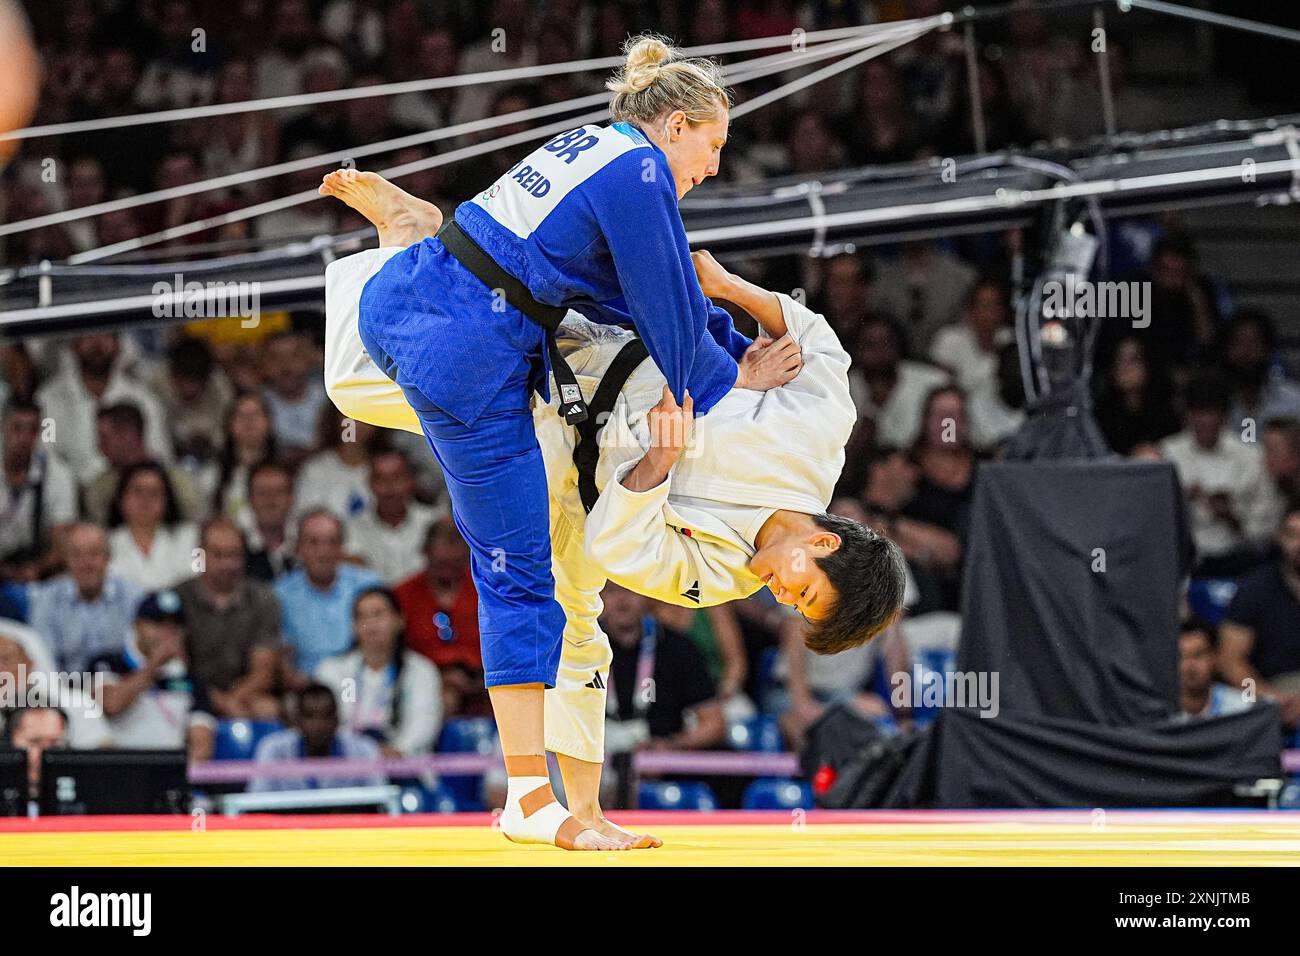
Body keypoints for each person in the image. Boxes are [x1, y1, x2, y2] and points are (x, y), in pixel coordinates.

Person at [320, 34, 801, 851]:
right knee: (517, 580)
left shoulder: (596, 149)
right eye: (714, 144)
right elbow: (666, 315)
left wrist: (721, 344)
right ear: (677, 124)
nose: (715, 166)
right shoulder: (643, 173)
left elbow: (635, 291)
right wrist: (733, 381)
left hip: (429, 299)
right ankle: (527, 800)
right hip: (472, 354)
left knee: (354, 384)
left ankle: (403, 232)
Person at [328, 230, 907, 848]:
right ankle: (408, 245)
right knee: (352, 383)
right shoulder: (815, 445)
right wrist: (729, 289)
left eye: (796, 607)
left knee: (577, 623)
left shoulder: (717, 578)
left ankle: (587, 810)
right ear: (825, 547)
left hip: (565, 471)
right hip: (601, 351)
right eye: (805, 594)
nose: (783, 599)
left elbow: (615, 550)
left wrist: (658, 464)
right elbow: (820, 347)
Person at [86, 590, 218, 759]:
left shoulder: (191, 679)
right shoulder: (108, 663)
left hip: (167, 772)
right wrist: (154, 666)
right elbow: (111, 705)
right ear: (137, 626)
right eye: (157, 624)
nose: (166, 633)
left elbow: (202, 744)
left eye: (174, 627)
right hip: (115, 767)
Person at [175, 519, 282, 720]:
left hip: (244, 694)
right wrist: (221, 704)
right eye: (218, 555)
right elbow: (176, 667)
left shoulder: (262, 597)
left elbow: (263, 672)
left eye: (234, 555)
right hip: (189, 692)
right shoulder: (178, 598)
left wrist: (232, 701)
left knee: (268, 710)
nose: (228, 564)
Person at [315, 588, 442, 757]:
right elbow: (339, 720)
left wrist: (397, 751)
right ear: (353, 625)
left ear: (399, 620)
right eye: (362, 616)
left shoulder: (420, 672)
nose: (371, 623)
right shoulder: (337, 671)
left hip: (404, 766)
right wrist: (361, 754)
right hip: (349, 765)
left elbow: (423, 722)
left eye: (378, 614)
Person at [1218, 507, 1300, 729]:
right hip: (1270, 690)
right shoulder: (1254, 589)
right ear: (1279, 538)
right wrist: (1264, 697)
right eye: (1292, 535)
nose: (1299, 545)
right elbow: (1229, 662)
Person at [274, 510, 382, 675]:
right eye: (313, 542)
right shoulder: (280, 594)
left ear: (342, 546)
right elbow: (282, 657)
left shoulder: (368, 586)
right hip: (308, 686)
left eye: (332, 542)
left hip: (357, 679)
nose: (323, 552)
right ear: (298, 548)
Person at [26, 522, 143, 672]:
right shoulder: (46, 599)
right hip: (64, 688)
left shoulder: (134, 597)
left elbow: (140, 657)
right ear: (66, 560)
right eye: (76, 555)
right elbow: (44, 662)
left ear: (108, 557)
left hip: (122, 686)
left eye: (94, 554)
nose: (86, 563)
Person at [247, 684, 388, 793]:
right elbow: (256, 804)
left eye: (326, 716)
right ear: (297, 720)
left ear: (337, 720)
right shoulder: (273, 750)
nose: (319, 725)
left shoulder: (363, 750)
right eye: (310, 716)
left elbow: (382, 801)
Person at [105, 461, 202, 591]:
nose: (145, 499)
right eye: (137, 491)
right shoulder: (105, 542)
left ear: (167, 500)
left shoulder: (193, 538)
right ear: (121, 498)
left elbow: (201, 577)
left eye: (154, 493)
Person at [1179, 617, 1250, 720]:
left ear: (1214, 658)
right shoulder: (1155, 709)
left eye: (1198, 655)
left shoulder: (1242, 709)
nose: (1189, 666)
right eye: (1181, 657)